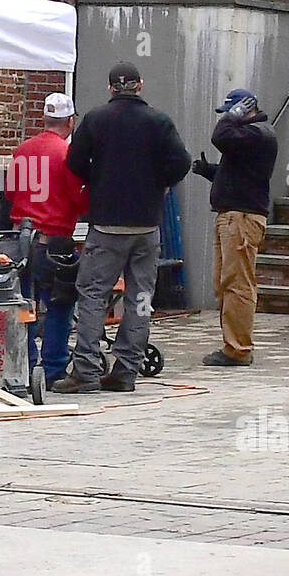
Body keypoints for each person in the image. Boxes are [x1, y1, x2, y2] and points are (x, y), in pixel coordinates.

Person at [53, 62, 191, 394]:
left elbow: (73, 162)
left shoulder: (96, 119)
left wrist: (98, 181)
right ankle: (126, 371)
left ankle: (85, 371)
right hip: (146, 226)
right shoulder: (158, 121)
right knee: (140, 297)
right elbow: (182, 162)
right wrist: (159, 183)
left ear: (111, 88)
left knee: (92, 295)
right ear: (140, 86)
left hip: (107, 225)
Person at [5, 92, 89, 386]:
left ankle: (24, 366)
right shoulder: (67, 155)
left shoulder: (22, 150)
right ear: (70, 121)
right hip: (55, 241)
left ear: (45, 119)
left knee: (23, 304)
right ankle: (53, 369)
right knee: (60, 303)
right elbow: (79, 201)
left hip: (20, 239)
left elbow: (11, 194)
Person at [191, 87, 278, 366]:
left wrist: (232, 115)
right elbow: (241, 174)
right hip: (232, 216)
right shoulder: (249, 137)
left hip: (241, 219)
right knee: (225, 282)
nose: (227, 117)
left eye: (233, 111)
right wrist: (211, 173)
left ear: (245, 109)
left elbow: (220, 136)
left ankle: (238, 349)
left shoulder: (257, 133)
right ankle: (233, 343)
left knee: (238, 284)